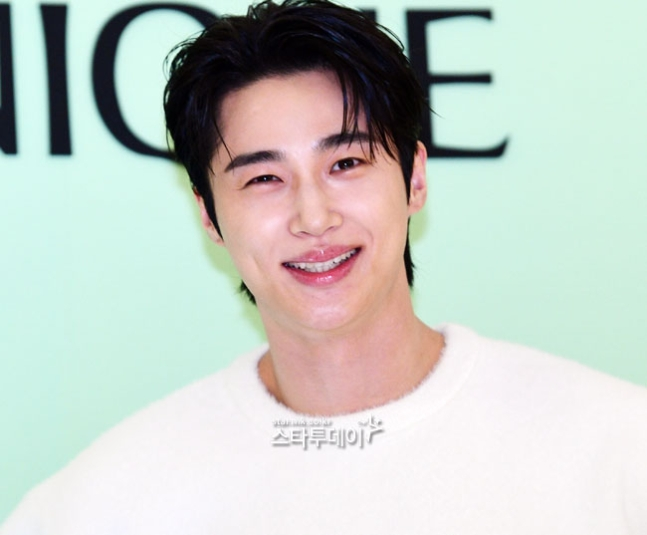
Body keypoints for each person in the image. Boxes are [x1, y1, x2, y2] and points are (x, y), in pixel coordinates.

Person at [2, 0, 646, 533]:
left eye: (346, 163)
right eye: (263, 178)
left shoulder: (618, 450)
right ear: (209, 216)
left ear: (414, 178)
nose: (313, 217)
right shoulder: (96, 506)